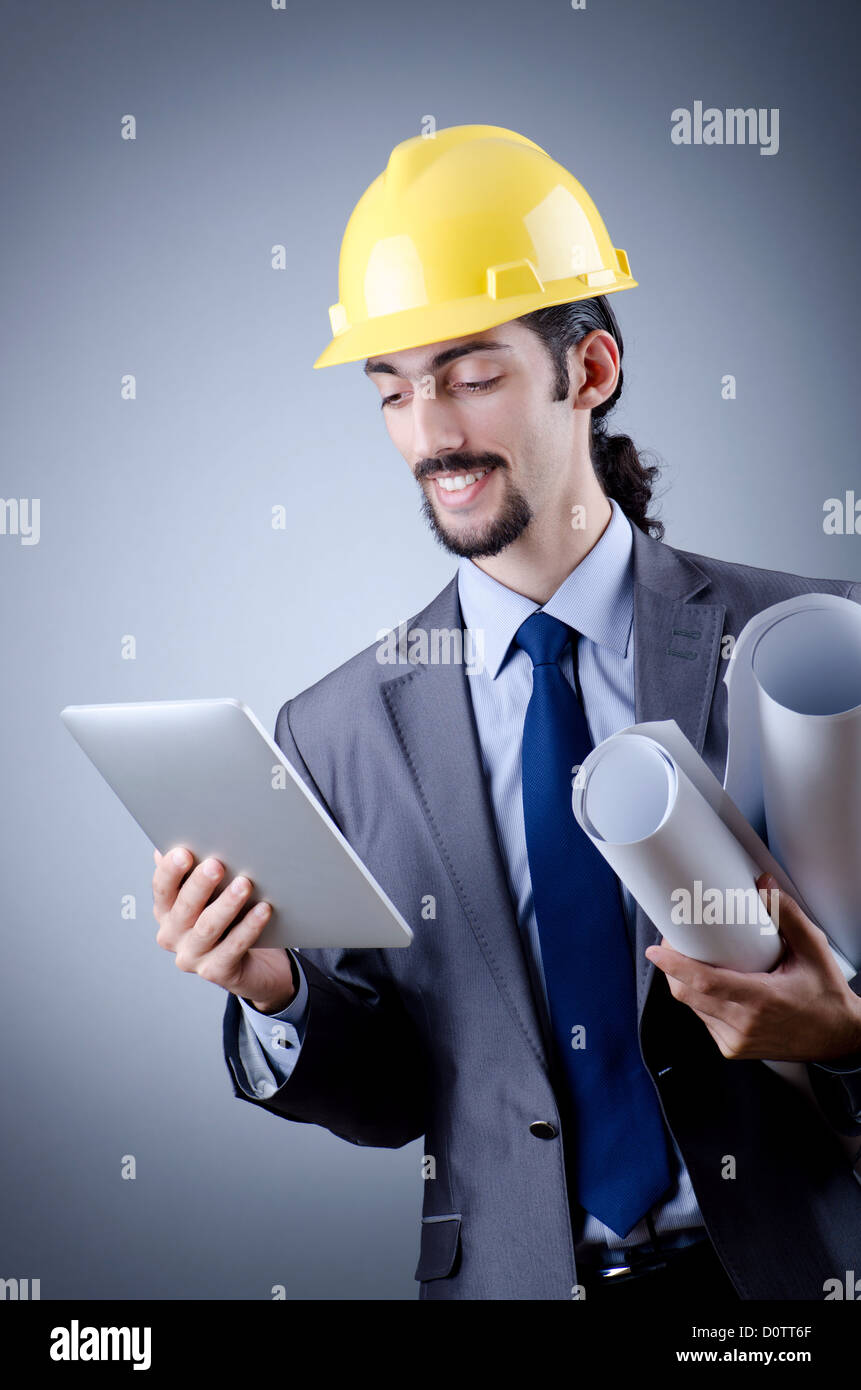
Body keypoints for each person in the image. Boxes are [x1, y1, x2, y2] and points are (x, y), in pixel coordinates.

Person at [151, 125, 861, 1301]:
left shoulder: (814, 647)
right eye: (394, 392)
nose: (433, 435)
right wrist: (275, 989)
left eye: (472, 377)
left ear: (588, 373)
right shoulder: (335, 733)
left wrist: (844, 1036)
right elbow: (393, 1101)